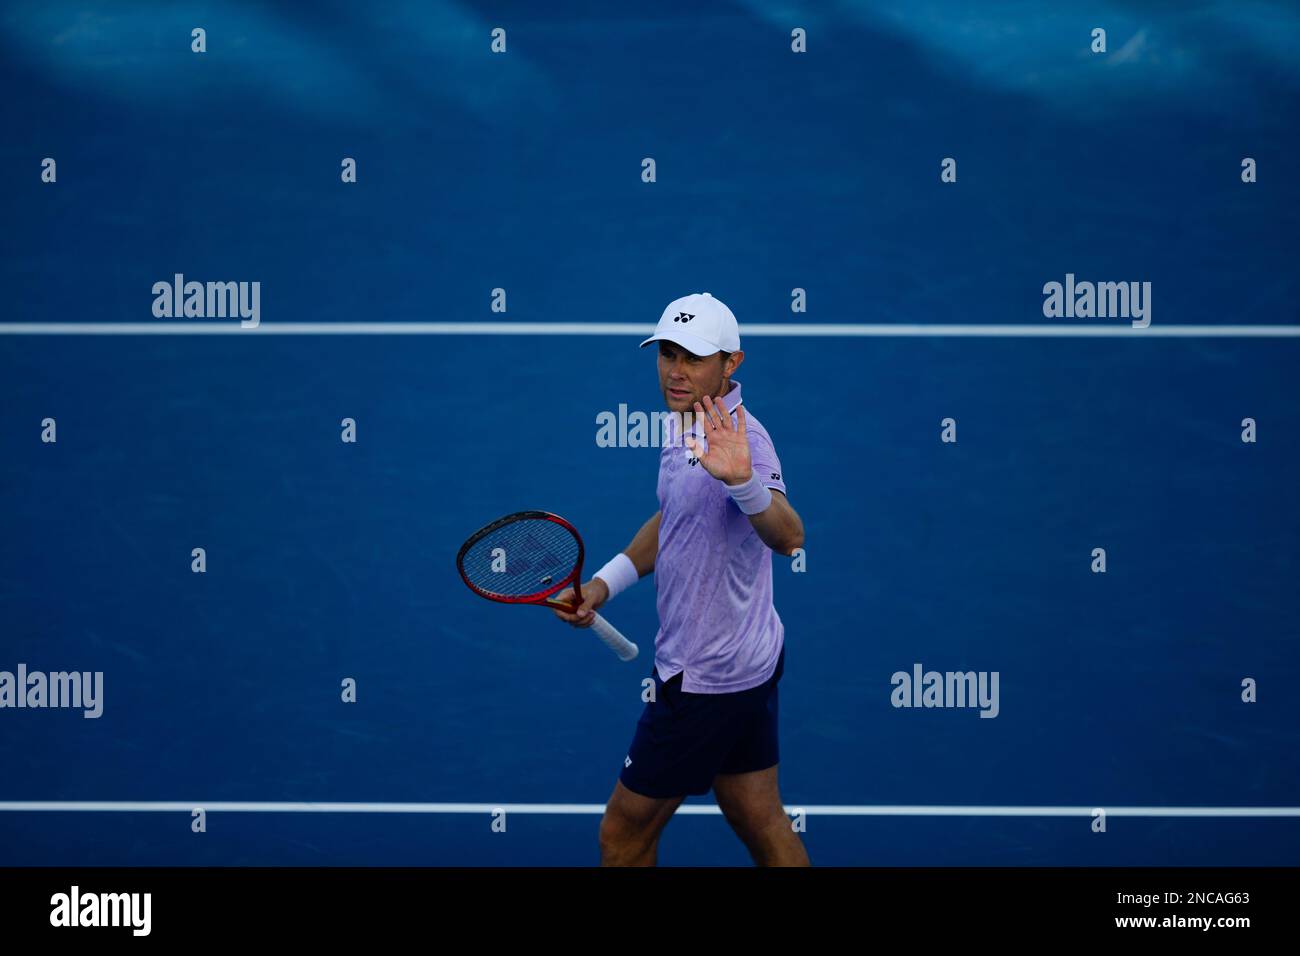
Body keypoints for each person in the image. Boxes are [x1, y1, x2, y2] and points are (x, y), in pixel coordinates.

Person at [554, 292, 810, 866]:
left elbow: (789, 536)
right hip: (752, 659)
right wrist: (603, 585)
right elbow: (675, 515)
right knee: (757, 813)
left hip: (703, 681)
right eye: (667, 353)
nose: (676, 370)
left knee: (622, 838)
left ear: (731, 363)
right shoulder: (688, 417)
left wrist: (744, 483)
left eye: (693, 358)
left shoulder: (742, 441)